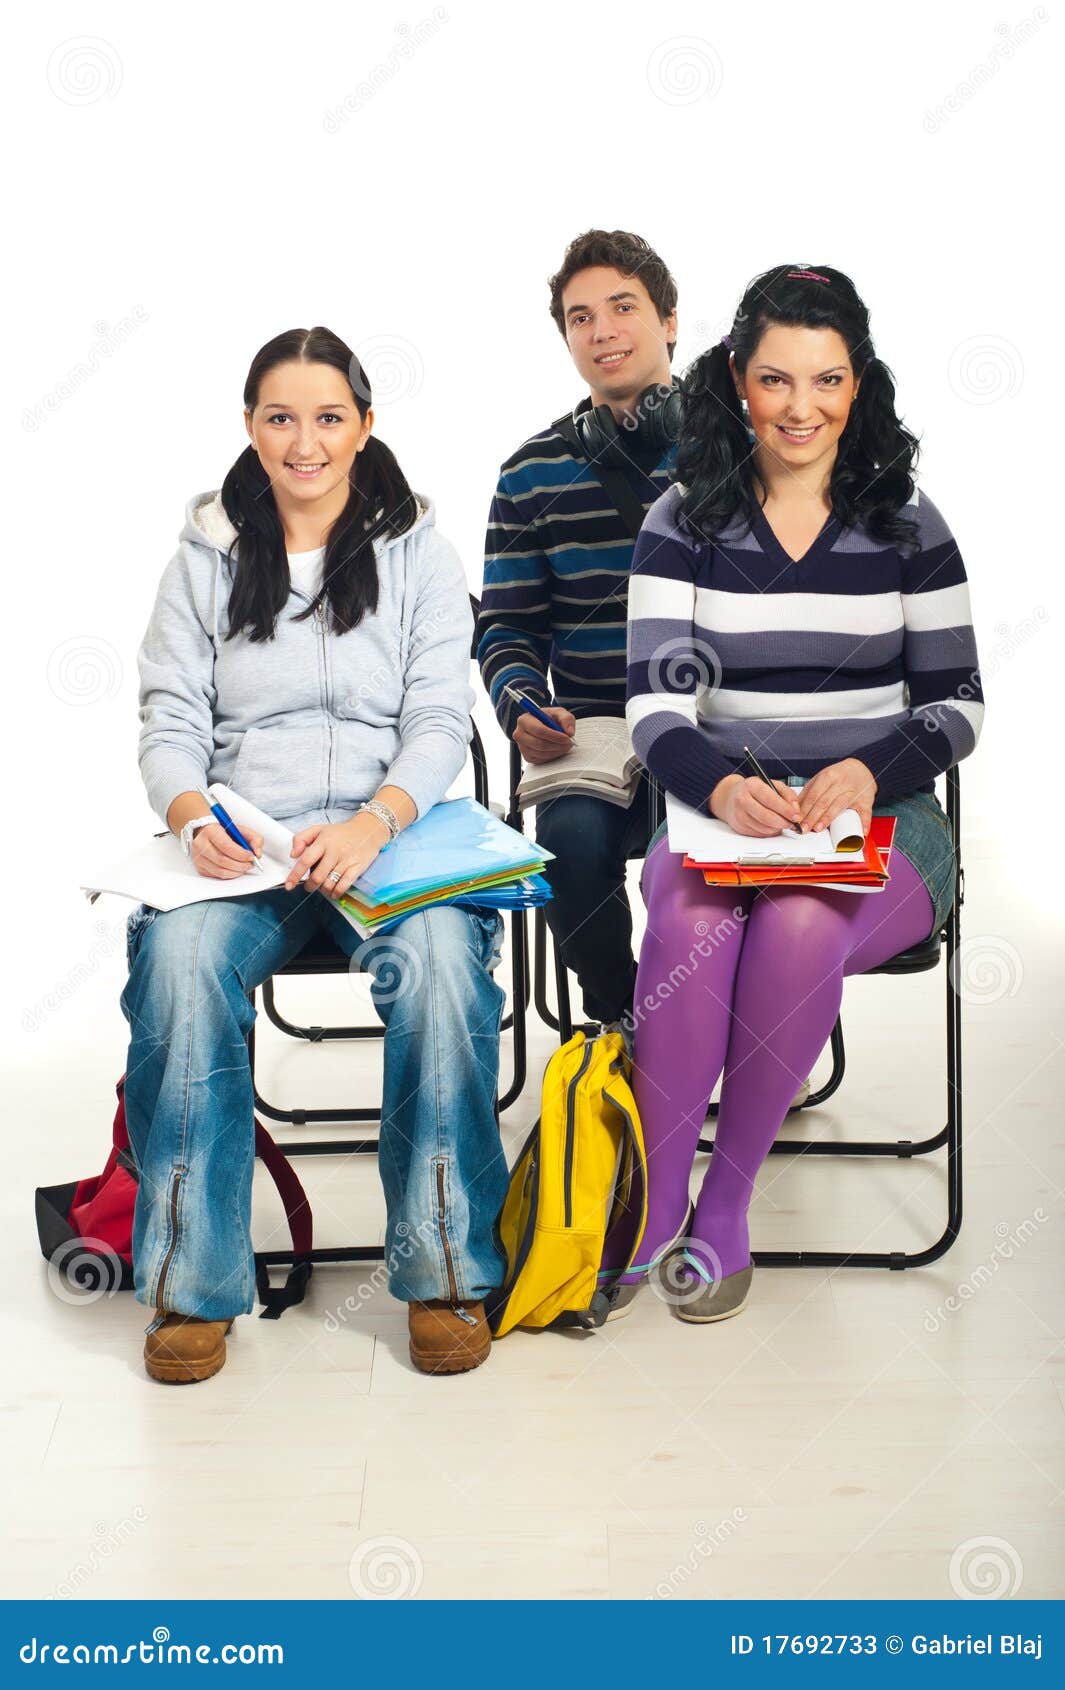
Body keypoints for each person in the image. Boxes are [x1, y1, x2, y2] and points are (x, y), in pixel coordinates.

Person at [121, 326, 507, 1383]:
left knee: (436, 968)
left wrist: (375, 820)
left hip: (391, 840)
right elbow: (167, 720)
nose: (305, 441)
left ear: (365, 424)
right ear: (250, 428)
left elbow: (439, 716)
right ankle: (192, 1286)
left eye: (328, 416)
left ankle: (443, 1270)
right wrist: (196, 815)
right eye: (281, 418)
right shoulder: (201, 556)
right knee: (181, 966)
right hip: (246, 852)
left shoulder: (419, 551)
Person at [606, 265, 983, 1321]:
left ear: (858, 383)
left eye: (826, 381)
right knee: (690, 927)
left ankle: (724, 1212)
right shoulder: (684, 520)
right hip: (724, 812)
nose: (801, 408)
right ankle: (653, 1202)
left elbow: (959, 702)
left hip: (888, 820)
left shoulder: (908, 522)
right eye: (776, 380)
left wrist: (871, 769)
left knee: (801, 926)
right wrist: (724, 785)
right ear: (737, 378)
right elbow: (655, 710)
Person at [477, 229, 680, 1030]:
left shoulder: (746, 448)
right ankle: (635, 1026)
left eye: (622, 308)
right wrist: (521, 703)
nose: (602, 332)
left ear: (668, 320)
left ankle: (722, 1018)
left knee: (695, 861)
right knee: (567, 843)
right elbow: (506, 626)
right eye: (579, 318)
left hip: (724, 728)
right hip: (593, 731)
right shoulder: (530, 472)